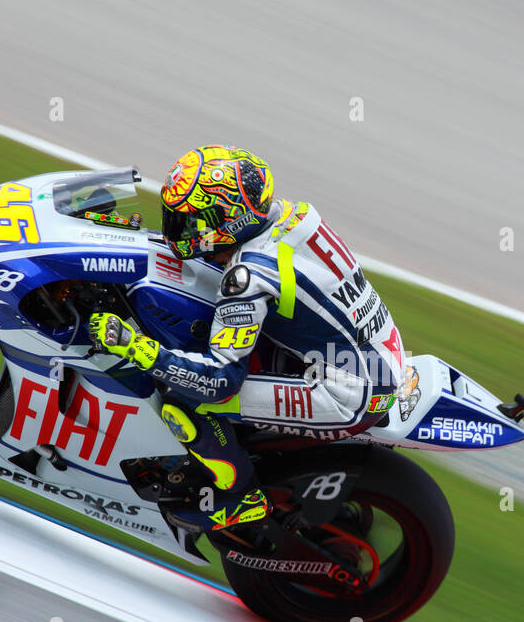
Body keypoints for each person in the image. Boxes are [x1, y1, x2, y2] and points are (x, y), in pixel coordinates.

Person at [88, 145, 405, 532]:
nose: (184, 233)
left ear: (231, 221)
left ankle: (239, 495)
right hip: (377, 348)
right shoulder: (295, 214)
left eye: (194, 223)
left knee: (184, 400)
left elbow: (219, 381)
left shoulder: (248, 276)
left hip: (348, 391)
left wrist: (135, 347)